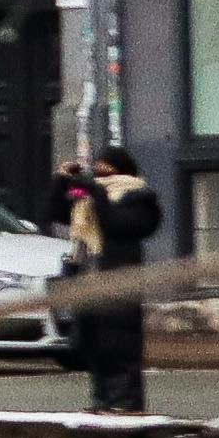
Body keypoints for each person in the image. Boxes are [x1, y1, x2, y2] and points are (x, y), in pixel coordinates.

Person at [66, 141, 161, 417]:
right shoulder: (90, 199)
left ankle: (127, 401)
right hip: (89, 278)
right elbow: (58, 211)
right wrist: (63, 181)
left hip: (121, 279)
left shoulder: (141, 199)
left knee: (121, 343)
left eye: (107, 172)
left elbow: (116, 225)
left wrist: (96, 193)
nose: (100, 177)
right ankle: (102, 399)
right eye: (97, 172)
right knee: (92, 342)